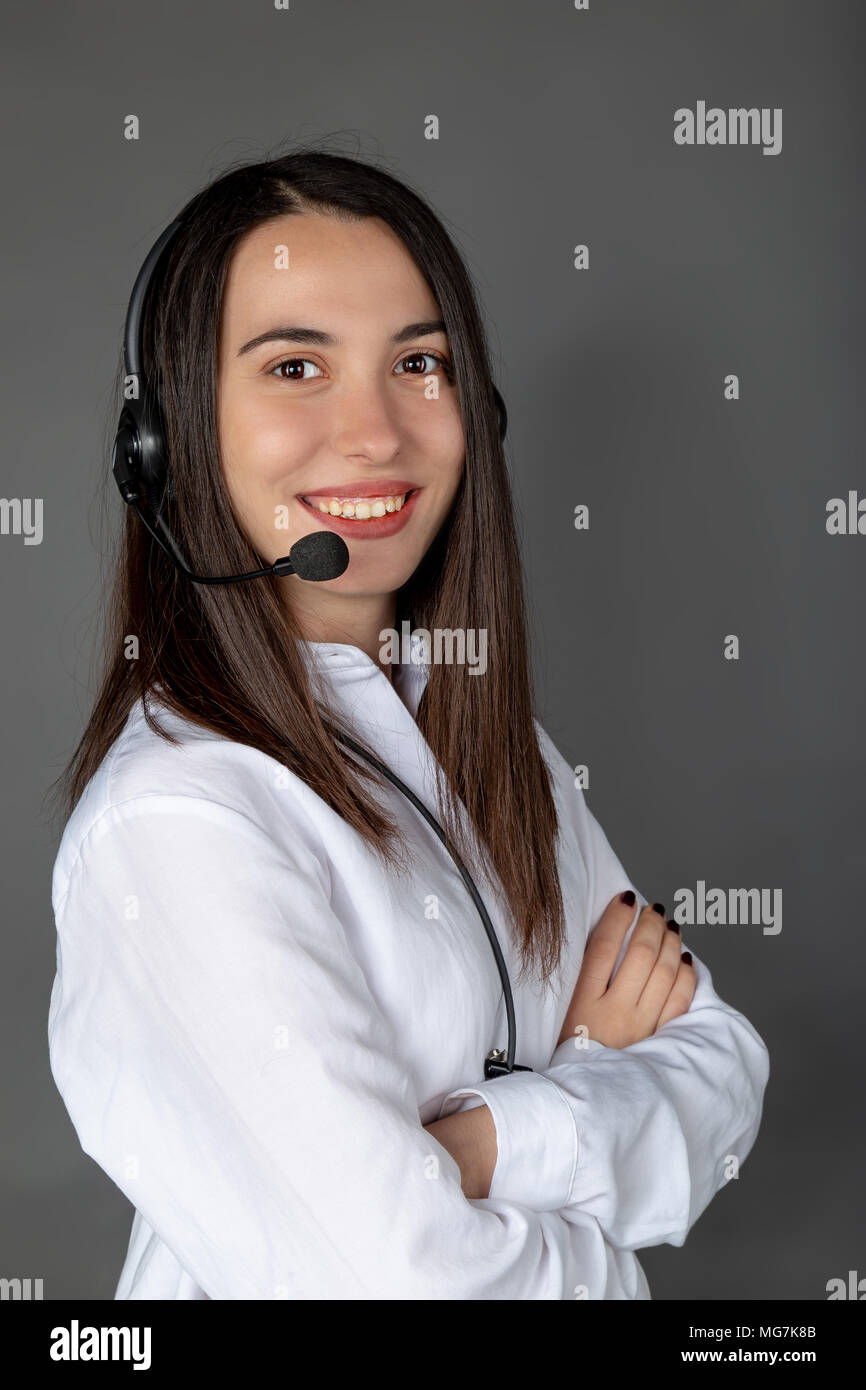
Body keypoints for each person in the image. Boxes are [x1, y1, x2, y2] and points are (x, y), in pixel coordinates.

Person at [47, 146, 769, 1300]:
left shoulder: (492, 743)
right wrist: (591, 1101)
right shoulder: (175, 824)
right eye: (294, 366)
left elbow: (723, 1072)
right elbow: (401, 1285)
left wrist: (479, 1144)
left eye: (418, 364)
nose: (377, 434)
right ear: (168, 438)